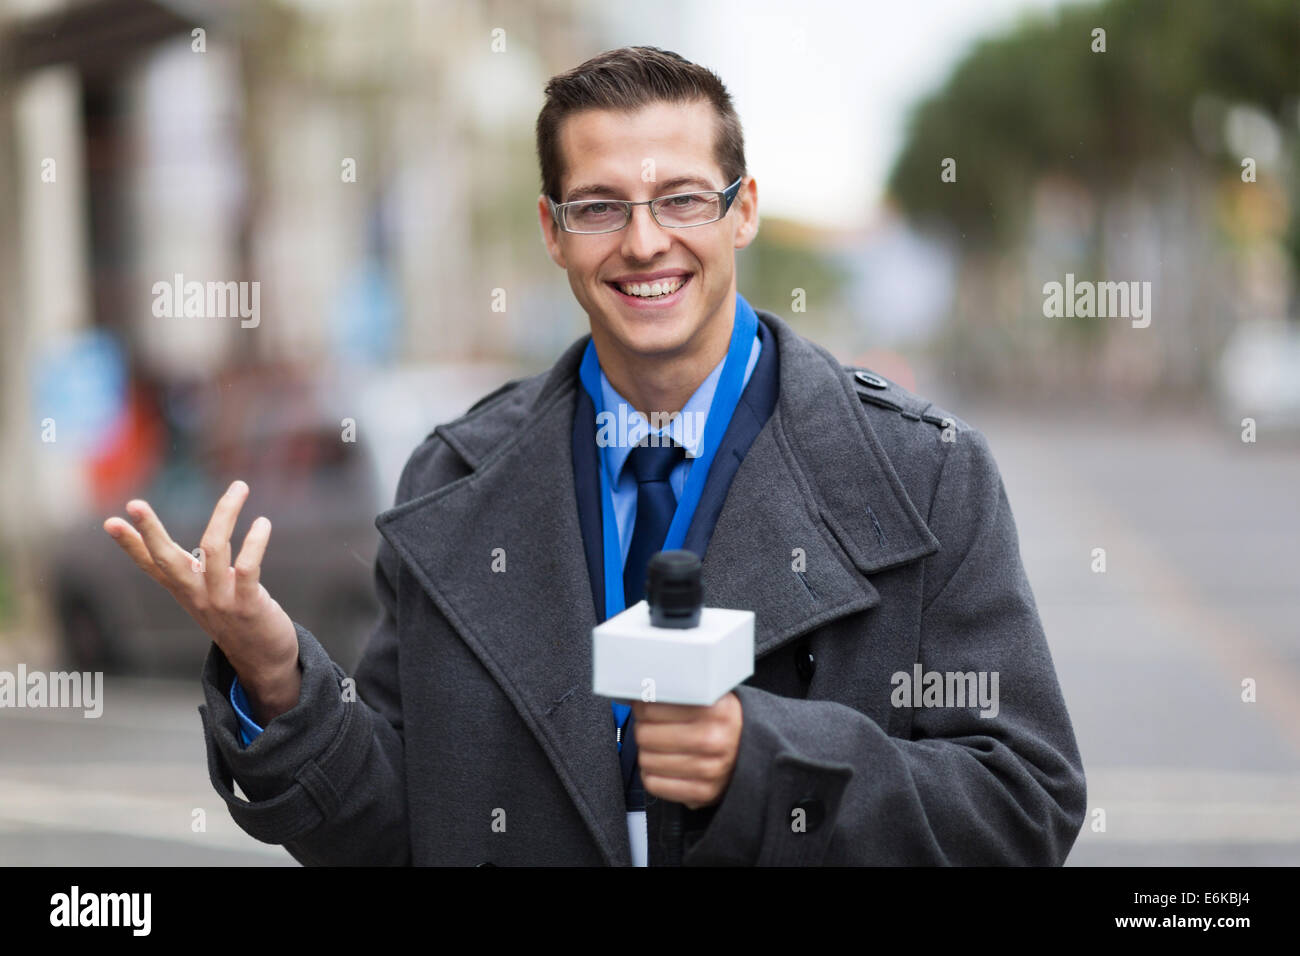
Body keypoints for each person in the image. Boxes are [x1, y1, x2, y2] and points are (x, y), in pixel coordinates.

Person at [103, 46, 1086, 866]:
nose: (645, 241)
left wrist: (765, 758)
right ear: (553, 232)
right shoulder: (455, 481)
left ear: (742, 211)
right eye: (600, 206)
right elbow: (393, 822)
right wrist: (278, 672)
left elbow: (1023, 803)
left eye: (683, 198)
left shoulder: (927, 475)